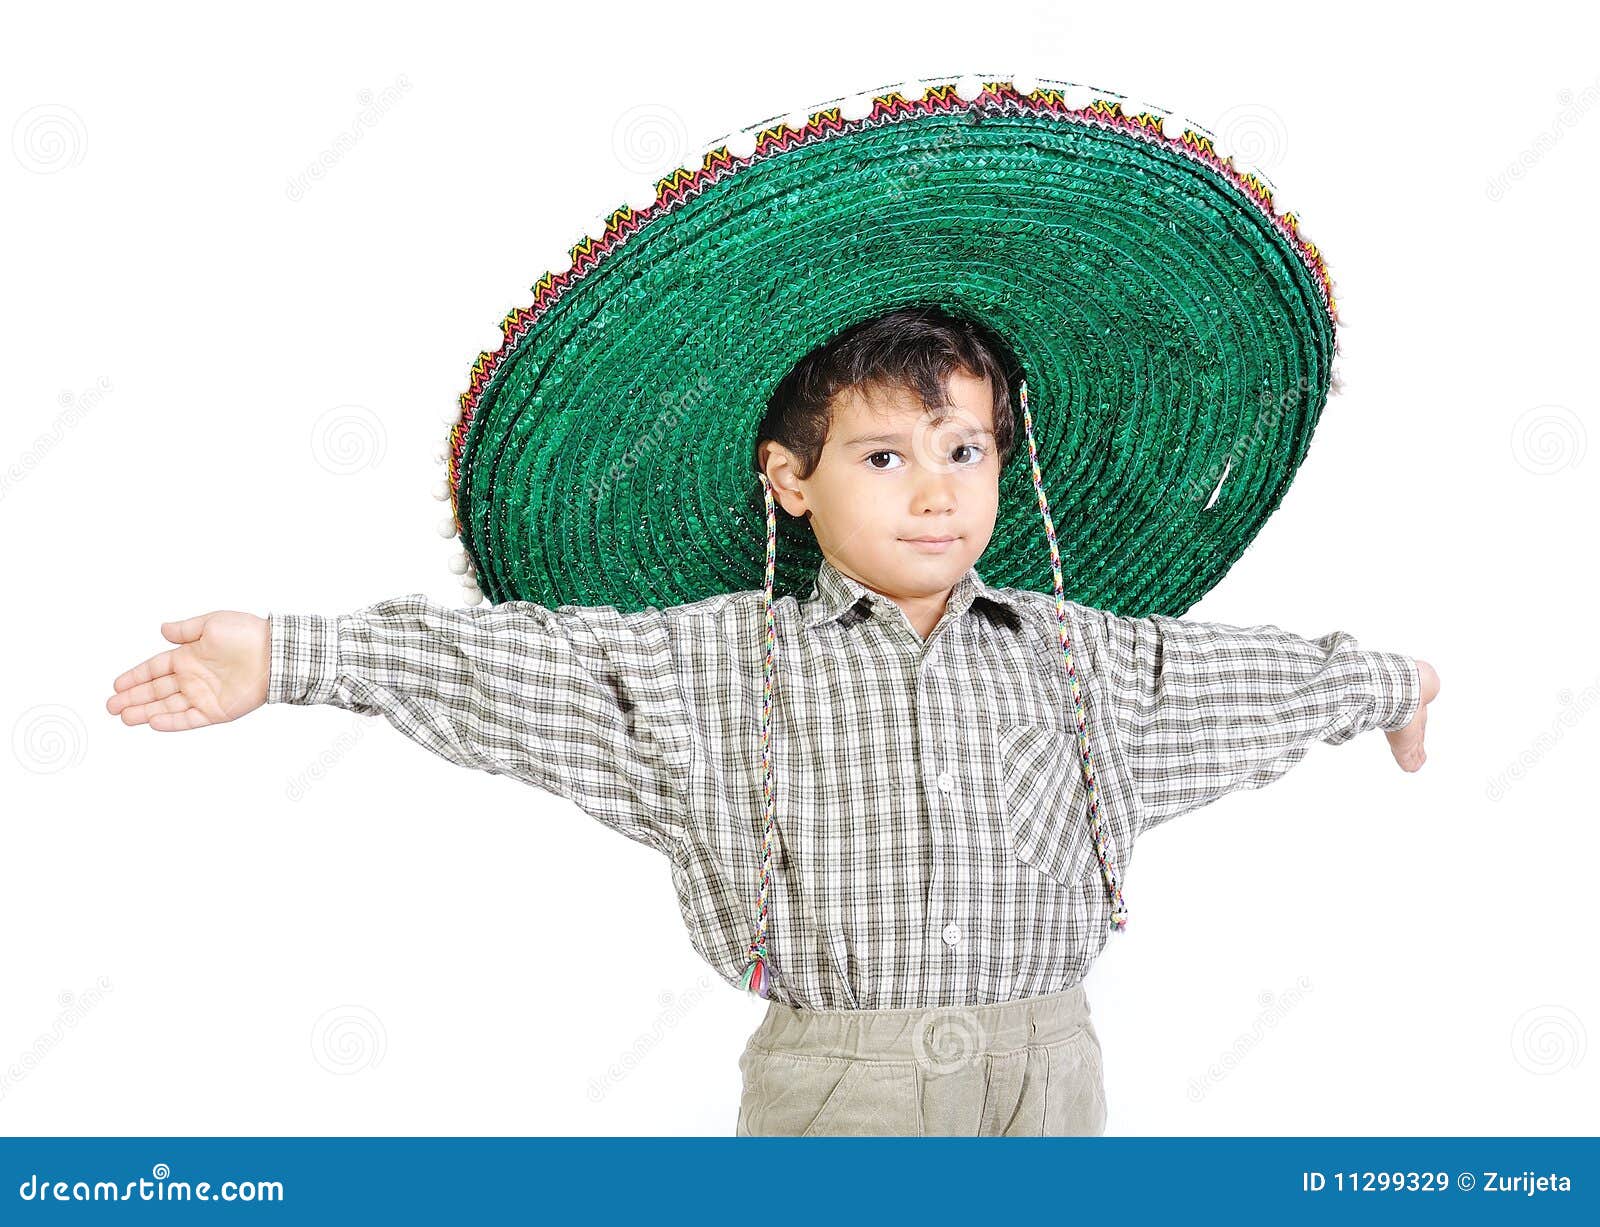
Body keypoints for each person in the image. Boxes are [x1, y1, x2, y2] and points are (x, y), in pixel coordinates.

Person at [104, 77, 1441, 1135]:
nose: (935, 490)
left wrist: (1390, 684)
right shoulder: (707, 669)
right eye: (883, 456)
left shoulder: (1080, 660)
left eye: (965, 450)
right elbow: (501, 667)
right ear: (788, 480)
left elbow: (1250, 681)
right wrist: (285, 653)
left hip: (1056, 1076)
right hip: (836, 1090)